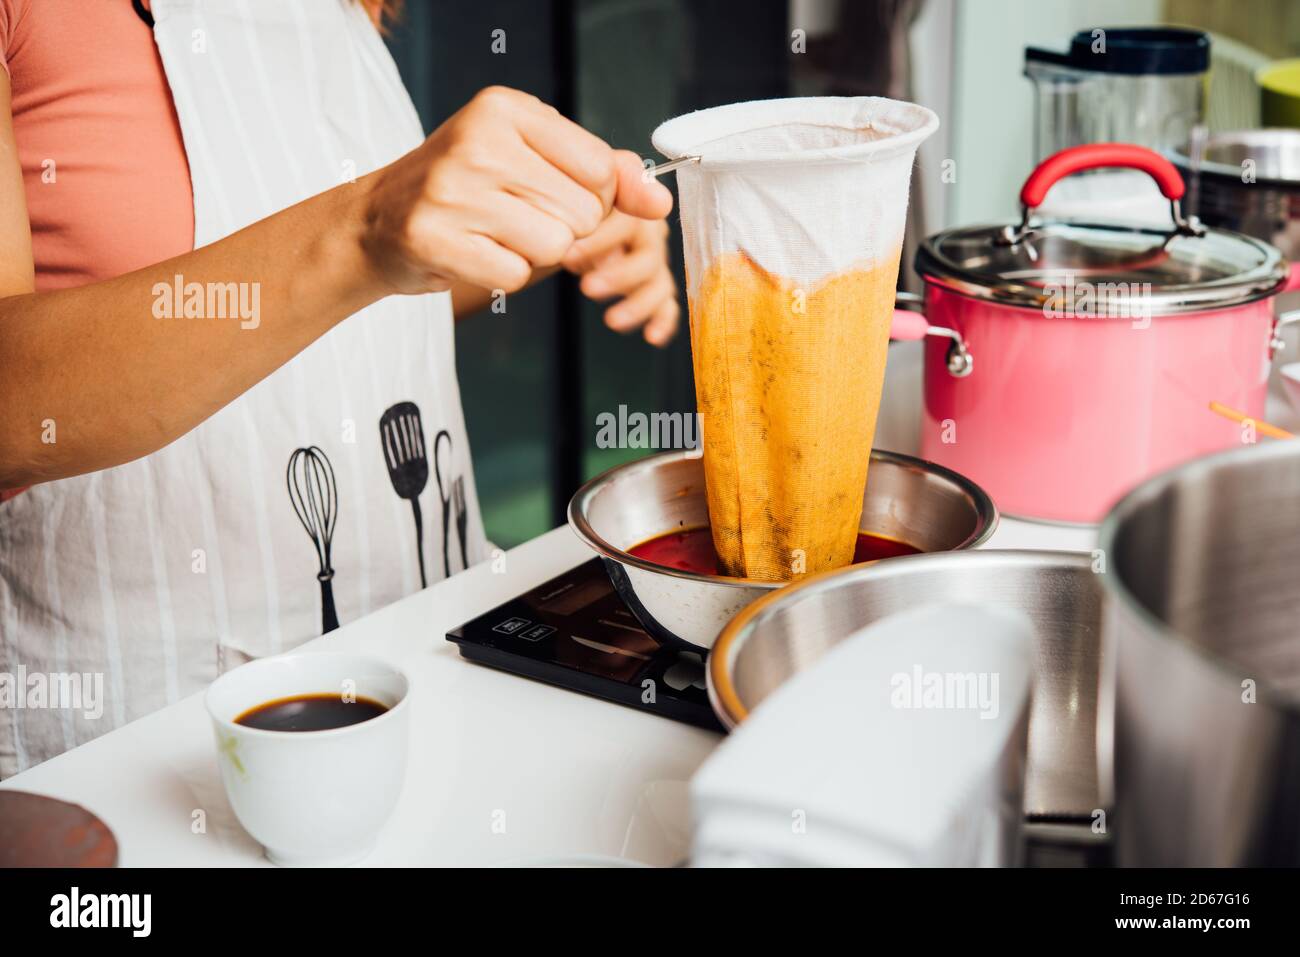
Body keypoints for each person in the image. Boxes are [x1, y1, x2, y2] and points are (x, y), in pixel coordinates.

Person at [0, 0, 678, 777]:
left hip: (426, 660)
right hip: (135, 742)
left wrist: (533, 230)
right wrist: (363, 230)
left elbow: (352, 313)